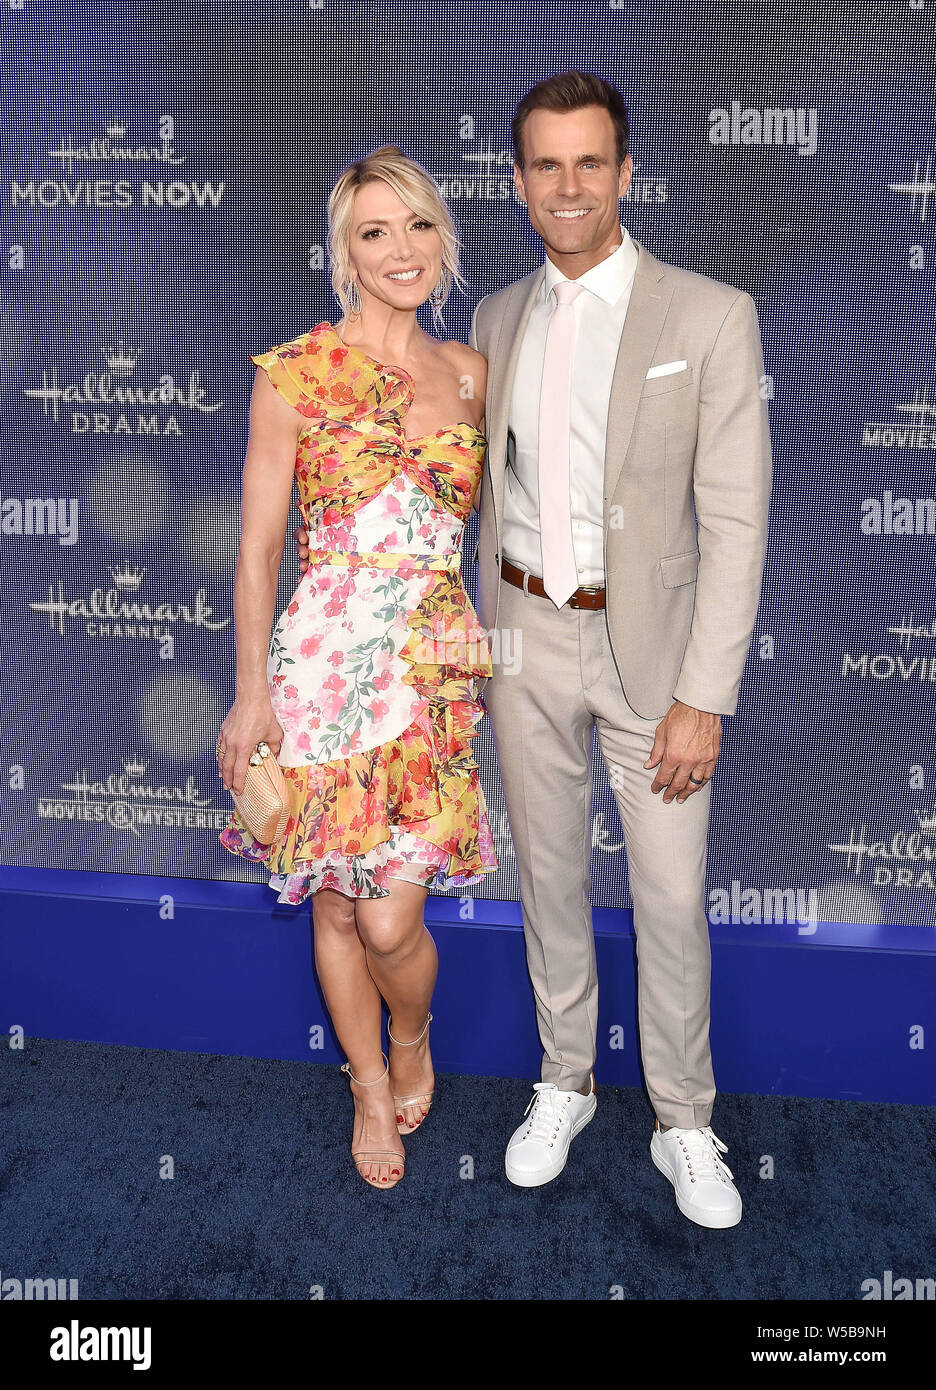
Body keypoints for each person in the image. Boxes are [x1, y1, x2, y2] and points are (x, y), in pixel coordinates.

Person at [296, 73, 772, 1229]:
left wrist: (705, 692)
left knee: (668, 895)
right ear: (517, 183)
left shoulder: (710, 315)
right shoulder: (493, 326)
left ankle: (685, 1119)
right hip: (516, 641)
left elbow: (738, 519)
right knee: (547, 883)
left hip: (654, 657)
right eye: (545, 166)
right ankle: (564, 1082)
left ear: (623, 172)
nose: (569, 186)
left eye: (590, 163)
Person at [217, 145, 498, 1190]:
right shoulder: (294, 373)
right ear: (343, 251)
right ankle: (370, 1083)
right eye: (375, 231)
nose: (401, 249)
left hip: (431, 664)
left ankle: (411, 1033)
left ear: (443, 238)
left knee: (394, 916)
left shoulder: (469, 370)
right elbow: (255, 549)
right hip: (320, 664)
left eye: (418, 225)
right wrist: (252, 691)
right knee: (338, 905)